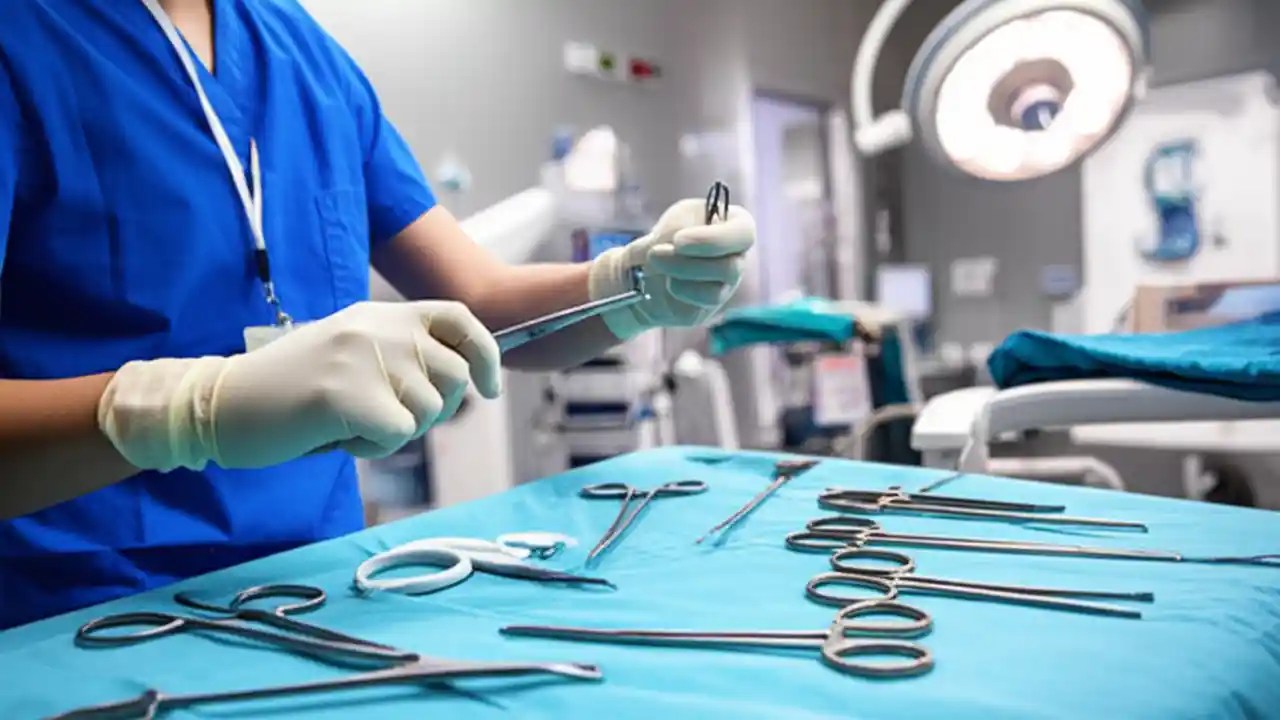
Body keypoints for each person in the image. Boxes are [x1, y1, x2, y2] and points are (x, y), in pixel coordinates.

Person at [0, 0, 755, 629]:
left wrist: (635, 282)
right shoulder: (25, 37)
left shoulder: (301, 53)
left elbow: (480, 304)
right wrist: (185, 414)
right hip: (79, 613)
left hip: (321, 594)